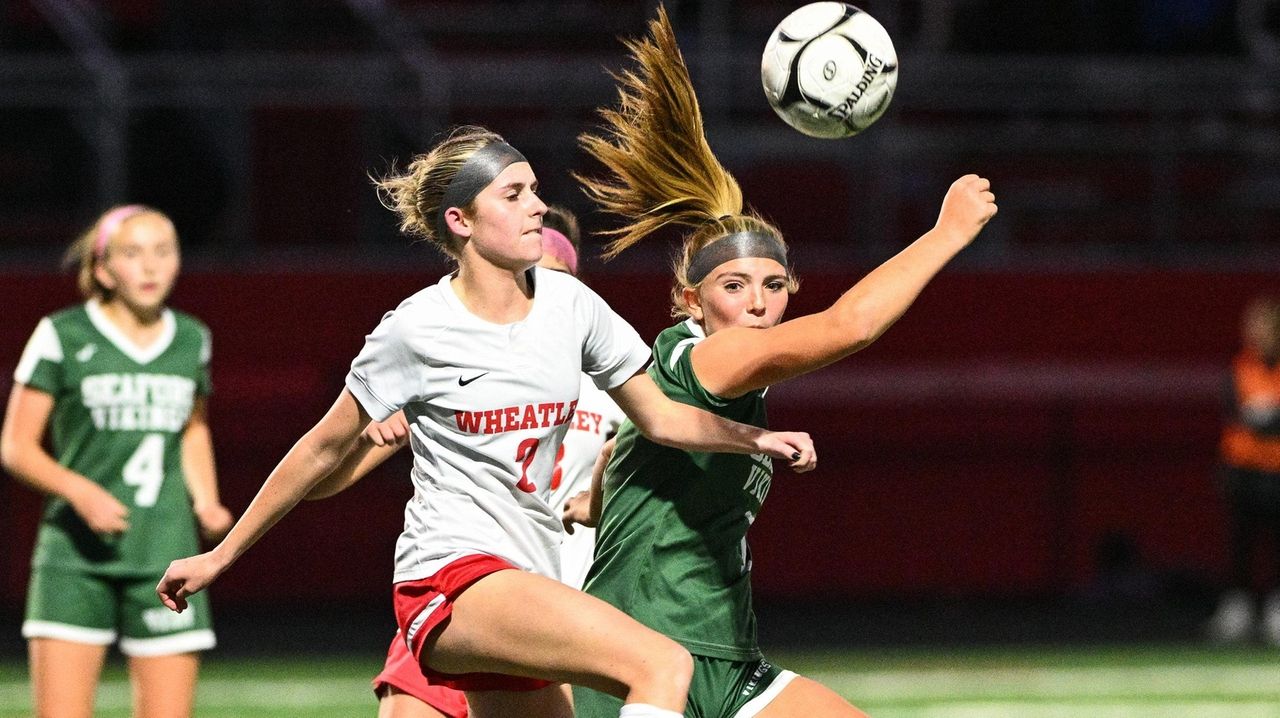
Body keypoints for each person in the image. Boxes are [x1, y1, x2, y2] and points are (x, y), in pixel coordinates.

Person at [154, 125, 817, 718]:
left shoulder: (571, 305)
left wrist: (756, 437)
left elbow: (662, 417)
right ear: (461, 220)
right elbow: (321, 450)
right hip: (449, 578)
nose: (537, 206)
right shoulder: (417, 328)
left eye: (535, 190)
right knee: (663, 664)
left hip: (526, 580)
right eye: (513, 194)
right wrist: (222, 554)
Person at [563, 9, 996, 717]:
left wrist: (596, 499)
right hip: (642, 658)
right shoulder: (716, 357)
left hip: (727, 658)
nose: (758, 302)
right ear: (691, 300)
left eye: (773, 284)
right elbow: (851, 325)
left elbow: (625, 441)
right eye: (734, 287)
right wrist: (946, 233)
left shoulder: (692, 369)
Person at [324, 204, 625, 718]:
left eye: (552, 278)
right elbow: (328, 476)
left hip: (552, 612)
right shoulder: (458, 363)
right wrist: (367, 437)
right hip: (461, 601)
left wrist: (598, 501)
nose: (533, 289)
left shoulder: (614, 386)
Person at [0, 205, 235, 718]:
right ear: (103, 269)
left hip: (165, 552)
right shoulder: (62, 334)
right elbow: (16, 447)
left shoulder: (192, 338)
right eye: (132, 253)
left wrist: (207, 500)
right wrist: (80, 492)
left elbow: (192, 427)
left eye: (163, 251)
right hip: (74, 558)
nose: (150, 266)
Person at [1207, 296, 1280, 645]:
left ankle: (1276, 607)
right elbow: (1235, 411)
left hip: (1277, 471)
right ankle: (1238, 607)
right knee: (1240, 541)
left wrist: (1270, 418)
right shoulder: (1240, 368)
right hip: (1242, 469)